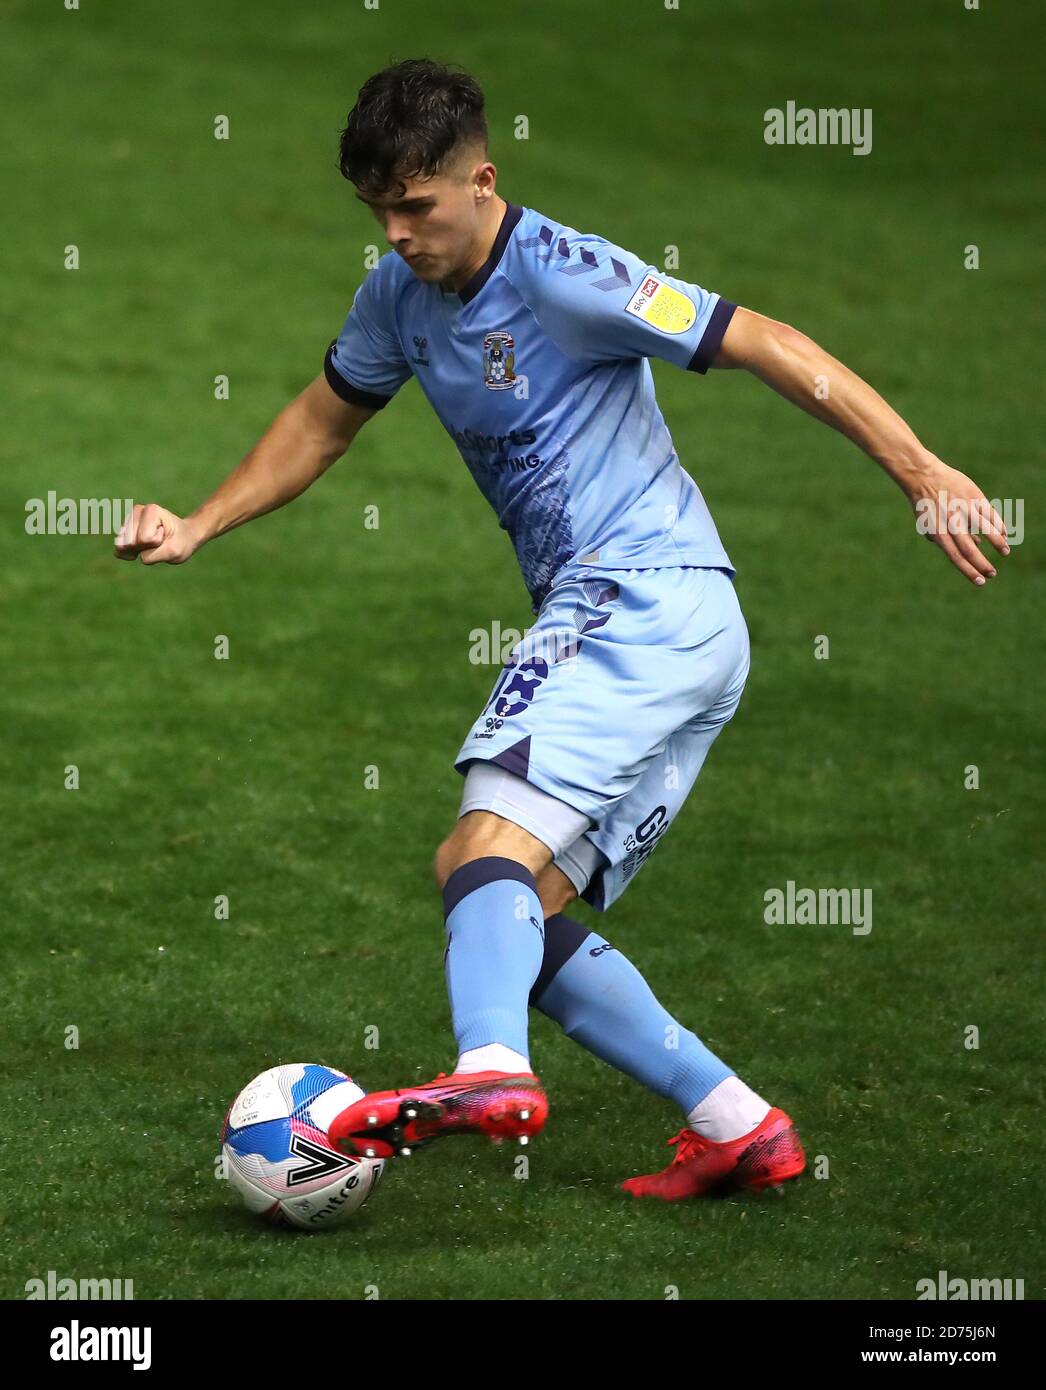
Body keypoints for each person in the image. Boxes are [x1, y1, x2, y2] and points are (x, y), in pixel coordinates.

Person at [115, 59, 1008, 1201]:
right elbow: (320, 422)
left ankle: (489, 1068)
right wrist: (199, 523)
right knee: (510, 907)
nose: (395, 234)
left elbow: (763, 339)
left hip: (633, 596)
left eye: (414, 207)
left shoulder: (567, 275)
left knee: (482, 850)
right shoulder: (397, 296)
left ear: (480, 180)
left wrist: (919, 468)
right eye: (376, 211)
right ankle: (737, 1123)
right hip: (677, 628)